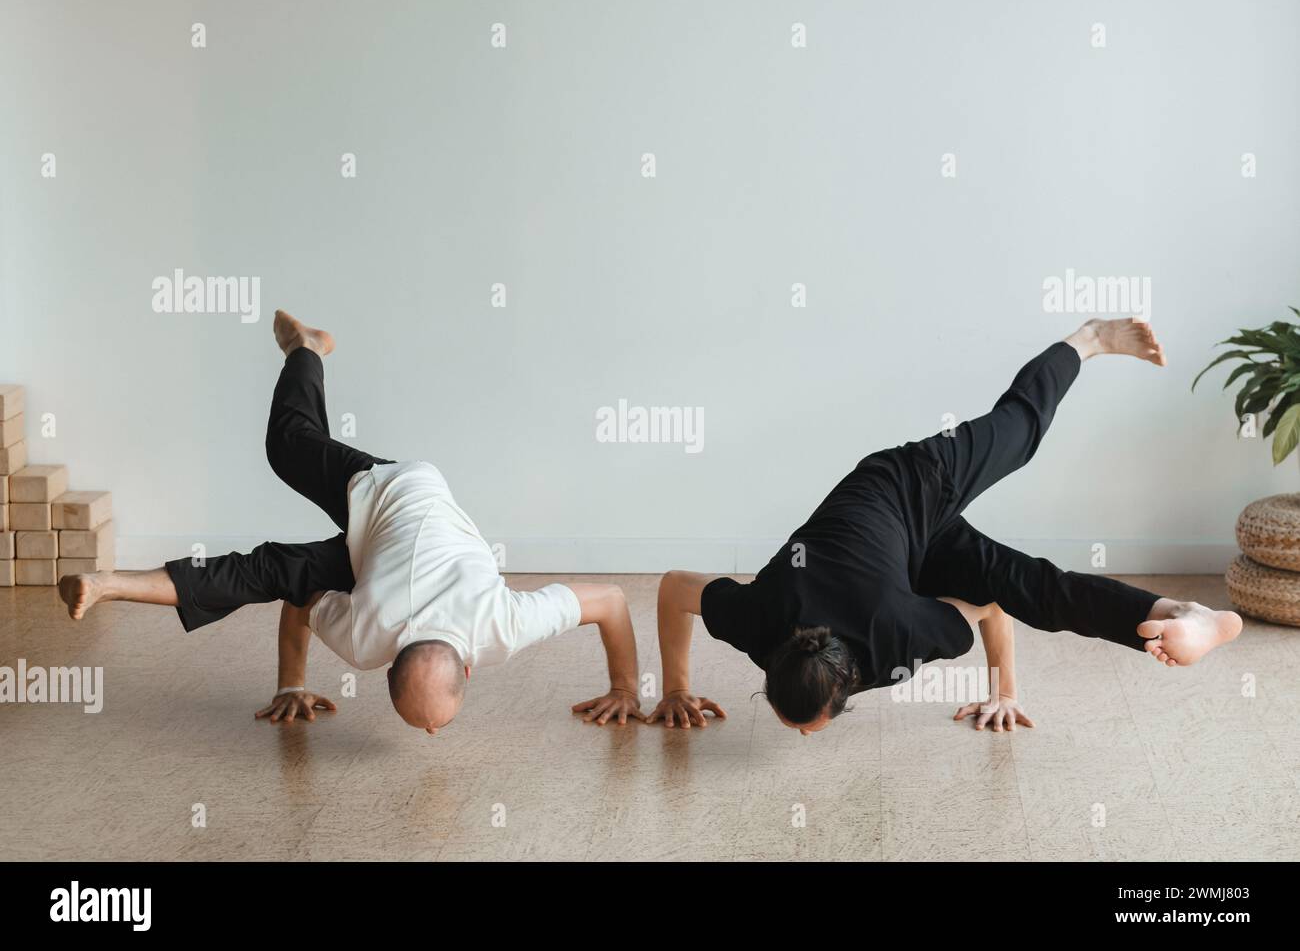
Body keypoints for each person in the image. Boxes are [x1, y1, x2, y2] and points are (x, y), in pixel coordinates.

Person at [648, 317, 1243, 733]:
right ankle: (1180, 613)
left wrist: (1003, 690)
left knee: (1020, 435)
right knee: (1045, 589)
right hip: (911, 553)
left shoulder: (892, 637)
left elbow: (988, 606)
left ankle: (1089, 337)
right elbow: (677, 588)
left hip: (909, 482)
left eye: (806, 726)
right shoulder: (756, 624)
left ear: (852, 688)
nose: (805, 735)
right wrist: (675, 690)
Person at [58, 310, 644, 732]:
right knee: (287, 452)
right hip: (393, 493)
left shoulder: (491, 627)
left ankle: (109, 583)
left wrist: (624, 688)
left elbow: (611, 603)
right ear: (463, 666)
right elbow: (613, 599)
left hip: (375, 559)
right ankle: (306, 346)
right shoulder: (394, 634)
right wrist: (624, 690)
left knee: (272, 569)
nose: (433, 735)